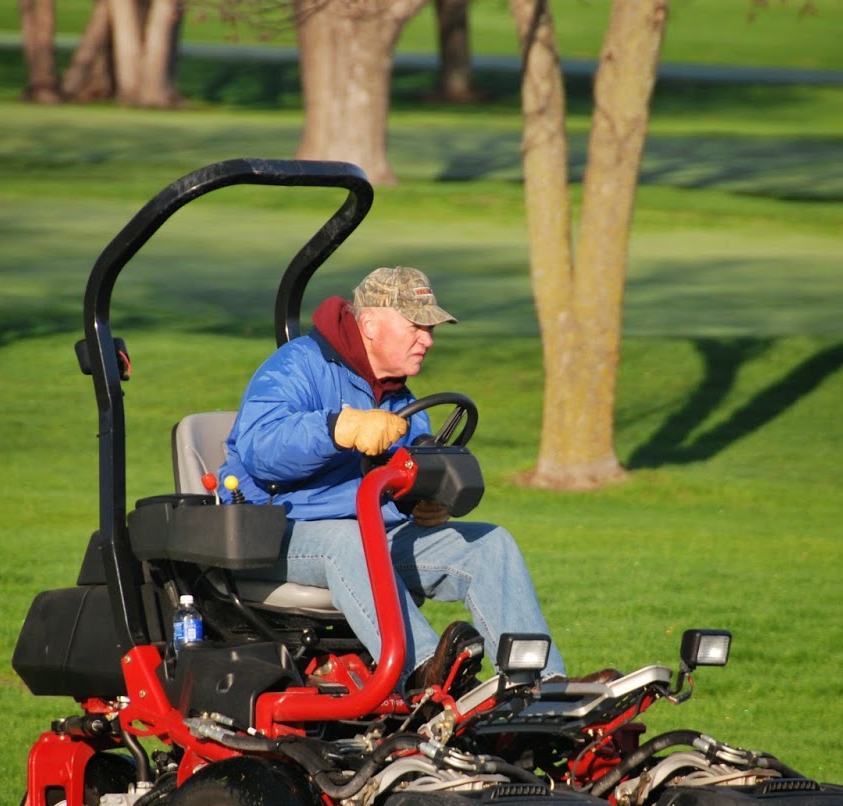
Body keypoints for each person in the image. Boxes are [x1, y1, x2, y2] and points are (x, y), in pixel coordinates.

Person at [217, 266, 605, 692]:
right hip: (277, 534)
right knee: (350, 541)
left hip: (369, 534)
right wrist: (337, 428)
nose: (428, 340)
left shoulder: (400, 399)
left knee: (489, 545)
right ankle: (423, 675)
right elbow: (261, 450)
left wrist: (422, 500)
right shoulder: (297, 366)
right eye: (416, 327)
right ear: (369, 324)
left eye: (430, 329)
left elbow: (404, 472)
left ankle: (540, 686)